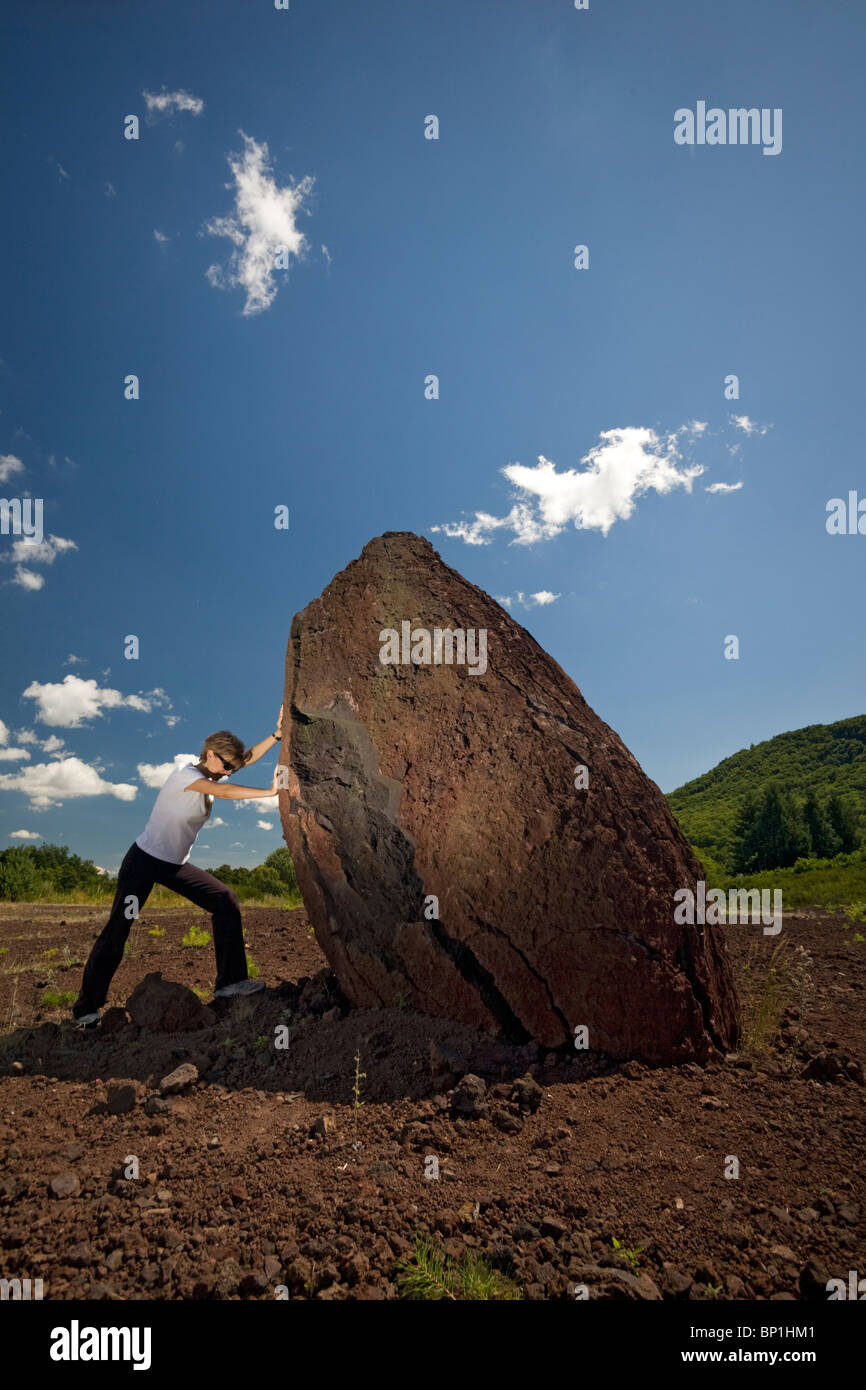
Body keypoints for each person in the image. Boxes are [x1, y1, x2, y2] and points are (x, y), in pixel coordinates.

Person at [72, 708, 285, 1028]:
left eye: (232, 766)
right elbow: (224, 792)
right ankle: (85, 1010)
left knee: (225, 900)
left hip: (174, 866)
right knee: (119, 929)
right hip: (143, 862)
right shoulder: (188, 777)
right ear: (209, 754)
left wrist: (277, 735)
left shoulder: (215, 771)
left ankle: (230, 983)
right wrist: (269, 792)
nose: (229, 771)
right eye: (225, 764)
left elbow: (245, 759)